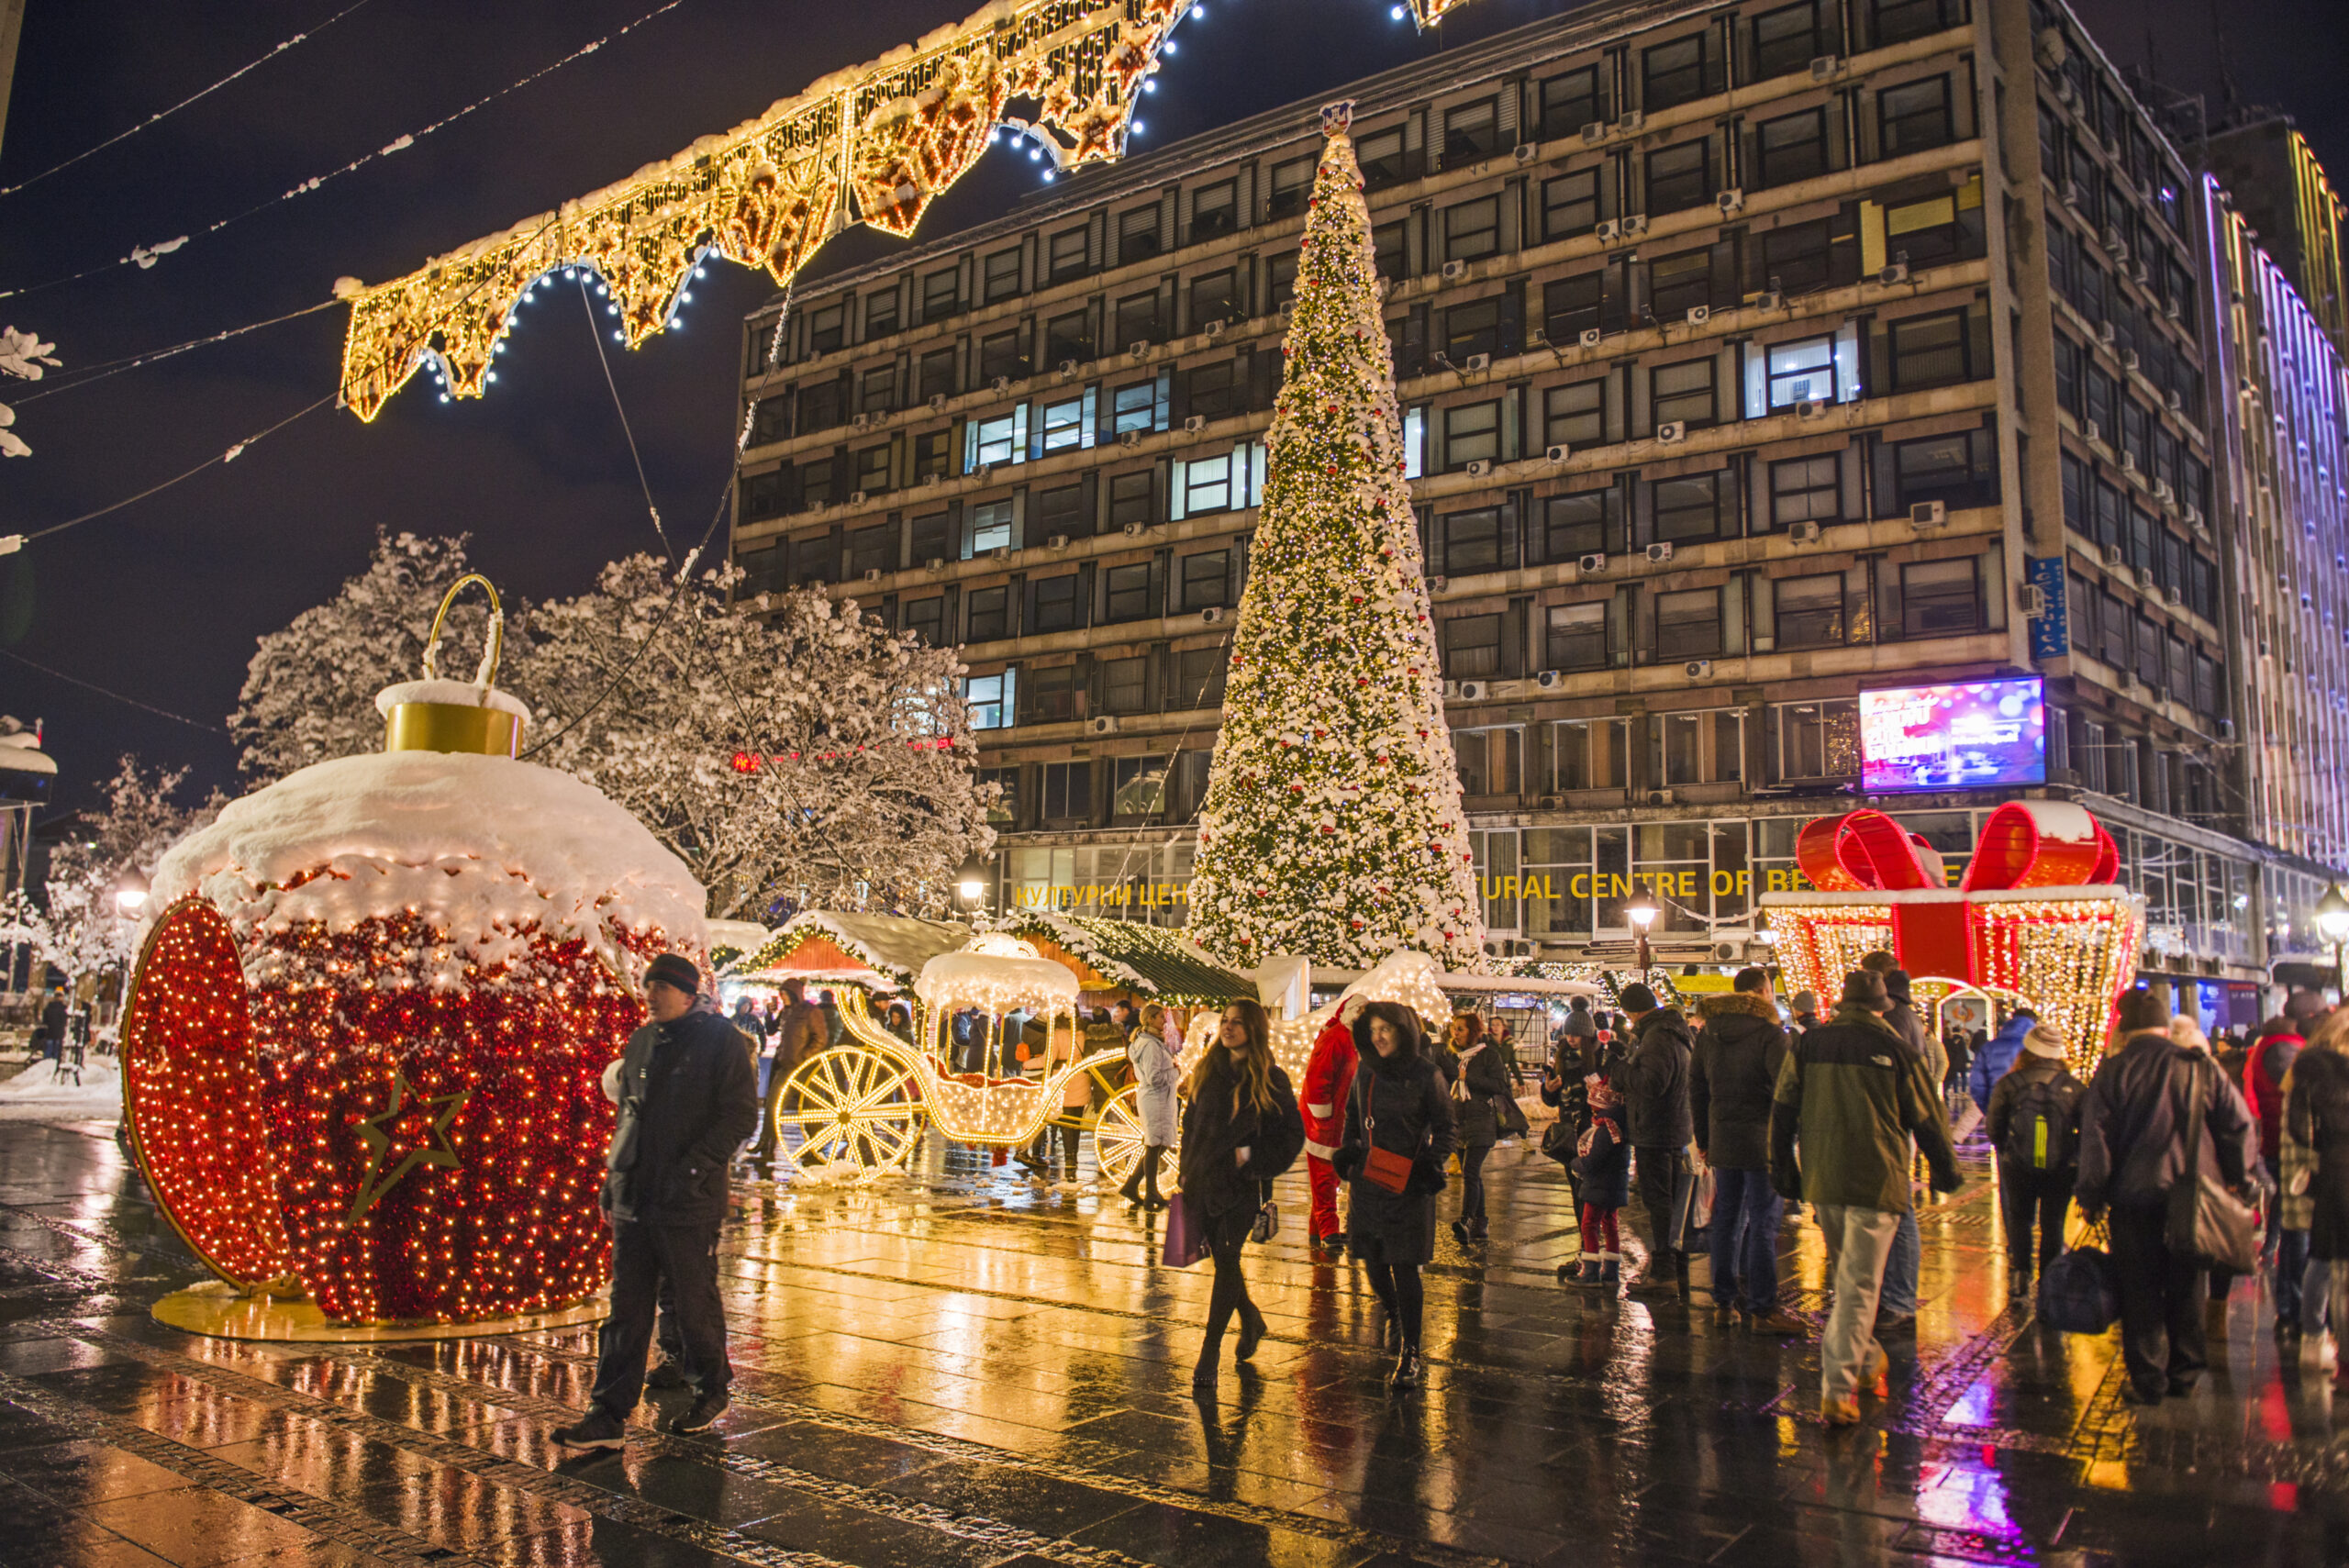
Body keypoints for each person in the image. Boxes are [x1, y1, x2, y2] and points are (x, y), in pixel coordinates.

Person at [555, 953, 759, 1449]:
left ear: (690, 994)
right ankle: (608, 1414)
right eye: (649, 986)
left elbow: (738, 1116)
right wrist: (612, 1180)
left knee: (693, 1302)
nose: (652, 995)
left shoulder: (721, 1042)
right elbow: (628, 1117)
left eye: (663, 987)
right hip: (635, 1196)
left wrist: (694, 1167)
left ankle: (711, 1388)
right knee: (626, 1309)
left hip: (687, 1200)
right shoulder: (642, 1041)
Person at [1770, 970, 1962, 1427]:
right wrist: (1947, 1171)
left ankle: (1869, 1354)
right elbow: (1928, 1118)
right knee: (1858, 1288)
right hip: (1878, 1178)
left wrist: (1784, 1167)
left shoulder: (1810, 1045)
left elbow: (1783, 1108)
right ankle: (1837, 1388)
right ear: (1884, 1006)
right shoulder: (1900, 1050)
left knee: (1851, 1277)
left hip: (1825, 1176)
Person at [2076, 985, 2255, 1405]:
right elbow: (2237, 1125)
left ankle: (2149, 1378)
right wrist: (2240, 1180)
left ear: (2127, 1031)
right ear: (2163, 1028)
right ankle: (2185, 1372)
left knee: (2138, 1289)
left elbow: (2095, 1140)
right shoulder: (2198, 1067)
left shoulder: (2113, 1071)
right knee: (2187, 1283)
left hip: (2131, 1197)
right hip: (2191, 1196)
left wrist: (2091, 1193)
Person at [1181, 997, 1303, 1396]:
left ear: (1253, 1029)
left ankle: (1210, 1349)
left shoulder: (1270, 1078)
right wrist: (1186, 1169)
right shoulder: (1208, 1069)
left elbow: (1289, 1136)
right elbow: (1191, 1123)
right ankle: (1251, 1319)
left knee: (1229, 1258)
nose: (1227, 1028)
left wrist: (1250, 1158)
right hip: (1202, 1181)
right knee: (1221, 1259)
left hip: (1240, 1185)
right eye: (1225, 1022)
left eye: (1236, 1023)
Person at [1333, 1000, 1455, 1389]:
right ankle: (1394, 1313)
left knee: (1404, 1267)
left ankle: (1411, 1352)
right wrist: (1349, 1156)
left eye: (1385, 1029)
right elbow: (1352, 1120)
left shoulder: (1427, 1074)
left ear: (1404, 1031)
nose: (1378, 1037)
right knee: (1370, 1261)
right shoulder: (1366, 1071)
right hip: (1369, 1181)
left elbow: (1447, 1127)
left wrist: (1428, 1165)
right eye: (1372, 1030)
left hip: (1408, 1185)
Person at [1690, 967, 1800, 1334]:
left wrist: (1704, 1138)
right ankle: (1762, 1307)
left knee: (1726, 1220)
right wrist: (1787, 1139)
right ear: (1759, 992)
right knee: (1763, 1223)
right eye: (1769, 990)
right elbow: (1786, 1090)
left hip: (1723, 1138)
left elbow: (1698, 1089)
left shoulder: (1710, 1035)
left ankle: (1723, 1302)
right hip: (1761, 1140)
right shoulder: (1771, 1035)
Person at [1983, 1021, 2084, 1293]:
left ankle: (2021, 1275)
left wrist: (2006, 1149)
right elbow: (2086, 1129)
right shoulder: (2073, 1086)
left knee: (2020, 1219)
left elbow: (1993, 1126)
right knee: (2053, 1223)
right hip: (2061, 1167)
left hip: (2018, 1165)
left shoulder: (2010, 1082)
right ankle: (2050, 1280)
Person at [1615, 983, 1697, 1304]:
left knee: (1660, 1202)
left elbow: (1651, 1084)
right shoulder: (1673, 1032)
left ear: (1632, 1011)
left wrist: (1621, 1070)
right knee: (1671, 1201)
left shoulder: (1657, 1037)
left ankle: (1665, 1272)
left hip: (1657, 1129)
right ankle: (1676, 1264)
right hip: (1672, 1127)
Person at [2286, 1009, 2349, 1378]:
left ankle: (2314, 1339)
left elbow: (2296, 1131)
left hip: (2326, 1176)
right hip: (2336, 1175)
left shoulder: (2309, 1072)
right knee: (2337, 1267)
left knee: (2325, 1260)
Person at [2242, 1012, 2311, 1342]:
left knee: (2292, 1220)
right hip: (2290, 1148)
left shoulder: (2269, 1049)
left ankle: (2292, 1308)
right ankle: (2293, 1311)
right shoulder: (2288, 1051)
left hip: (2278, 1144)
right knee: (2298, 1229)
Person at [746, 977, 825, 1175]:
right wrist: (769, 1014)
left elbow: (820, 1039)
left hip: (804, 1068)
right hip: (785, 1066)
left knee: (810, 1111)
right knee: (772, 1106)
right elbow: (772, 1031)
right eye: (782, 995)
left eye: (786, 995)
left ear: (795, 994)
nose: (783, 998)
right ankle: (766, 1143)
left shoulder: (810, 1011)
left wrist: (804, 1057)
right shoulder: (786, 1012)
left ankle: (815, 1150)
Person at [1299, 998, 1362, 1249]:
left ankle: (1318, 1228)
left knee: (1330, 1174)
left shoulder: (1352, 1039)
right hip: (1325, 1121)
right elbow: (1318, 1078)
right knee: (1324, 1175)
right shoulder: (1337, 1038)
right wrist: (1323, 1115)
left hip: (1338, 1119)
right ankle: (1328, 1229)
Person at [1564, 1074, 1631, 1293]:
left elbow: (1593, 1161)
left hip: (1599, 1187)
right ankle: (1611, 1271)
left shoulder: (1605, 1130)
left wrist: (1576, 1163)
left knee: (1589, 1225)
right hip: (1614, 1186)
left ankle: (1590, 1271)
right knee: (1610, 1225)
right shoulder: (1619, 1126)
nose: (1592, 1113)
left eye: (1594, 1109)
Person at [1450, 1014, 1510, 1245]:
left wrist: (1470, 1079)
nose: (1456, 1033)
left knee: (1471, 1172)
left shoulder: (1488, 1056)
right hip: (1462, 1122)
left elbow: (1499, 1085)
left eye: (1461, 1029)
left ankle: (1466, 1219)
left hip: (1482, 1122)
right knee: (1472, 1175)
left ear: (1473, 1032)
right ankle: (1480, 1223)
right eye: (1454, 1029)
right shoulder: (1458, 1058)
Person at [1121, 1003, 1179, 1208]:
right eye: (1161, 1017)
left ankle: (1132, 1185)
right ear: (1151, 1019)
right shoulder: (1151, 1046)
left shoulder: (1152, 1042)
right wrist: (1176, 1072)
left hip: (1159, 1098)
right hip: (1155, 1098)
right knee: (1155, 1145)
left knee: (1157, 1144)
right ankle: (1151, 1192)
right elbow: (1154, 1077)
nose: (1164, 1021)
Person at [1969, 1007, 2039, 1112]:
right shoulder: (2035, 1047)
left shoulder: (1989, 1047)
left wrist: (1988, 1108)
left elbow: (1977, 1083)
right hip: (2029, 1108)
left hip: (1997, 1105)